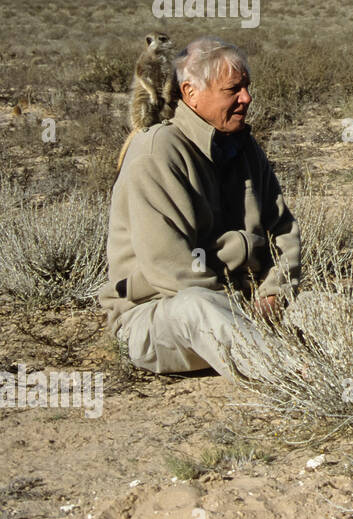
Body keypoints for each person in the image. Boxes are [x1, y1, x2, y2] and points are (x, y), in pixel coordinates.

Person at [99, 37, 300, 380]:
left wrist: (273, 292)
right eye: (233, 89)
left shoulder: (244, 145)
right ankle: (296, 378)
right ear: (190, 93)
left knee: (317, 305)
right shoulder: (157, 152)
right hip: (158, 313)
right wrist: (239, 306)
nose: (246, 99)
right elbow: (172, 268)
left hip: (242, 298)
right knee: (198, 308)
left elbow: (282, 231)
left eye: (247, 87)